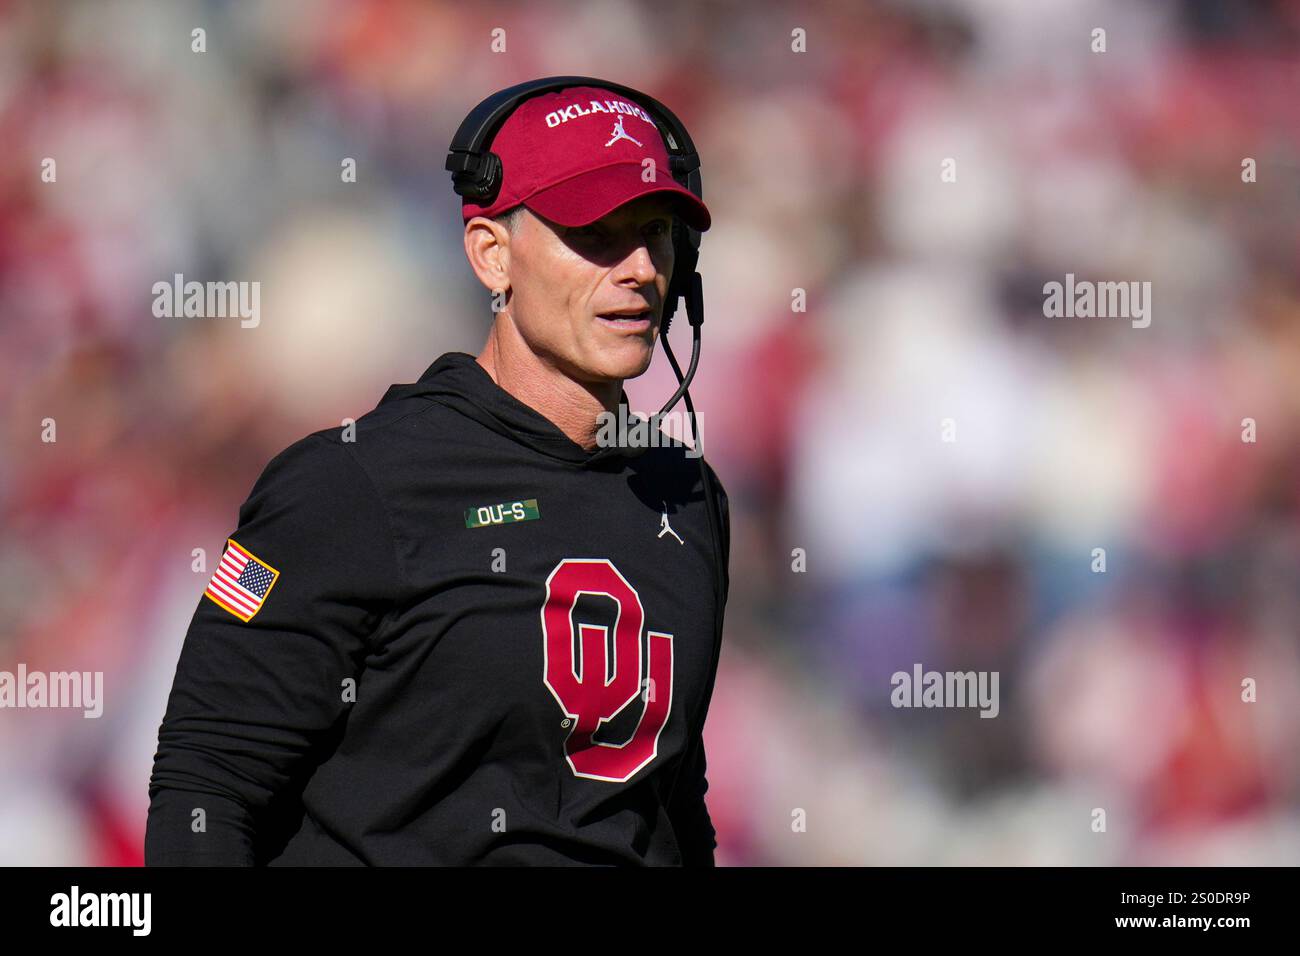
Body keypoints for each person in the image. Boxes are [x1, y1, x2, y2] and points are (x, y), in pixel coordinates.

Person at [145, 81, 730, 866]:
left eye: (654, 233)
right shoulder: (350, 485)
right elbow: (207, 788)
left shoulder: (687, 497)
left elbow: (671, 805)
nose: (636, 269)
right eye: (596, 233)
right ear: (493, 253)